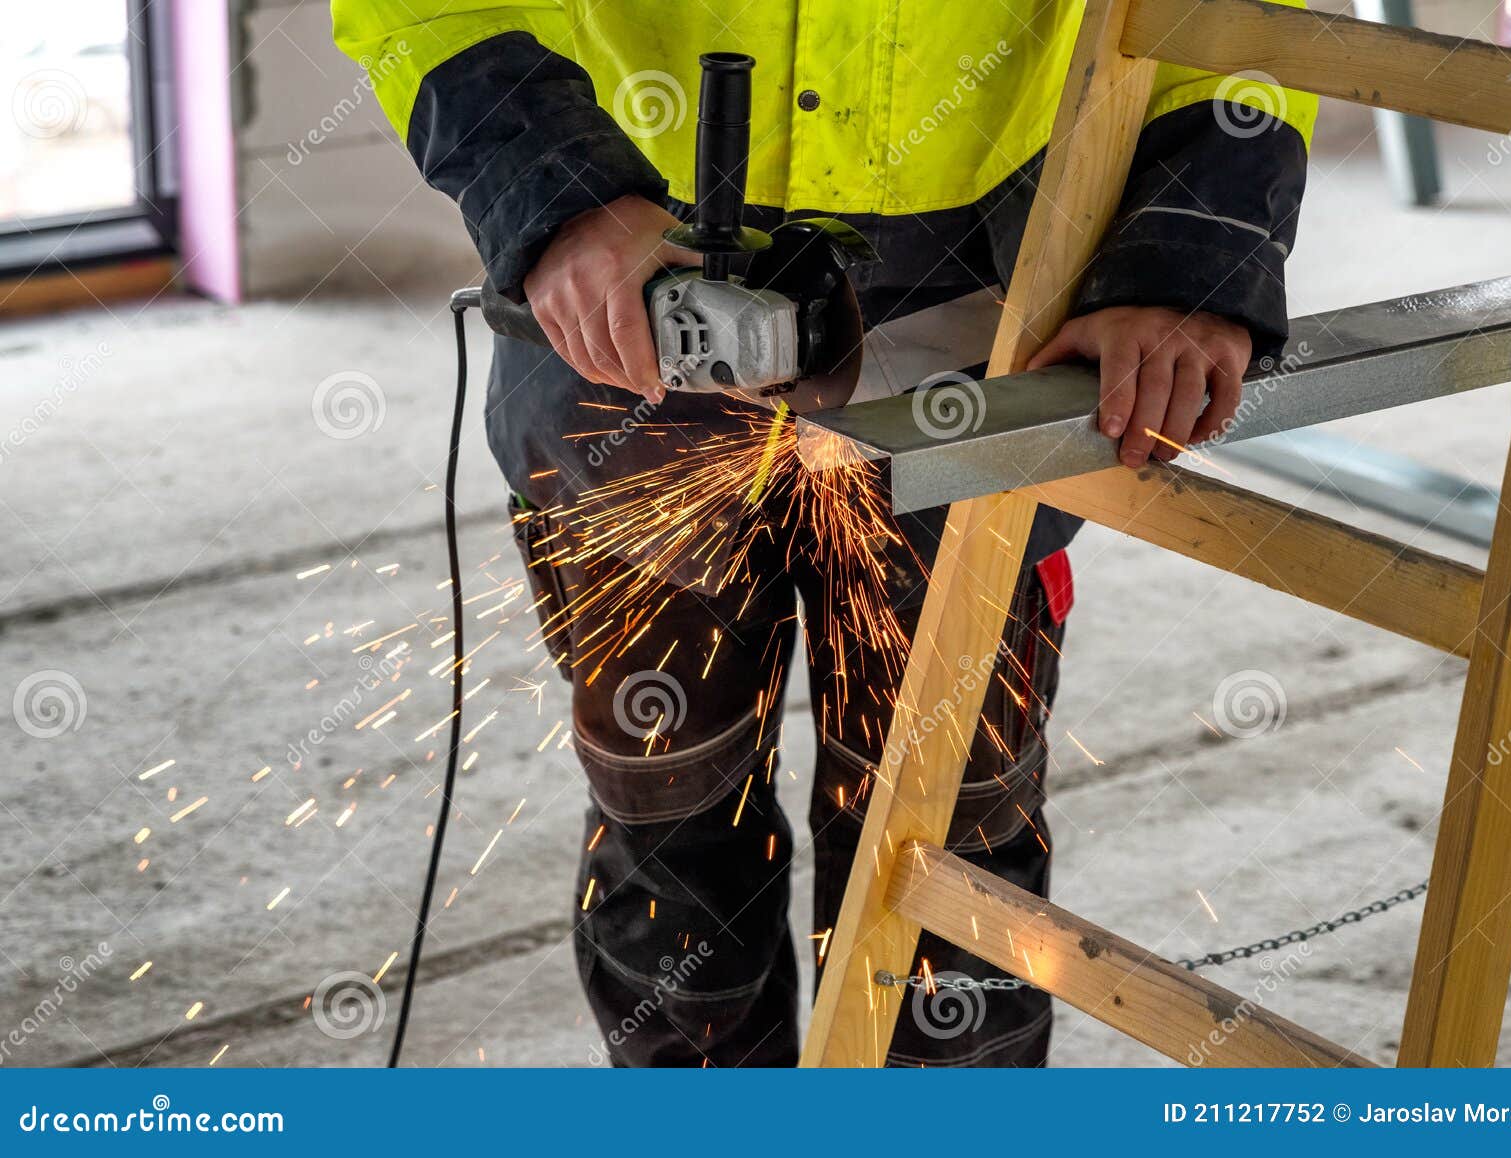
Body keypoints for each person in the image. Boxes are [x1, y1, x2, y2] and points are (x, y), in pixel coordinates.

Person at [333, 0, 1317, 1067]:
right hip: (621, 274)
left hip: (988, 299)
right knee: (666, 824)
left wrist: (1187, 254)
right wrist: (551, 193)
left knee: (947, 845)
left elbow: (1242, 12)